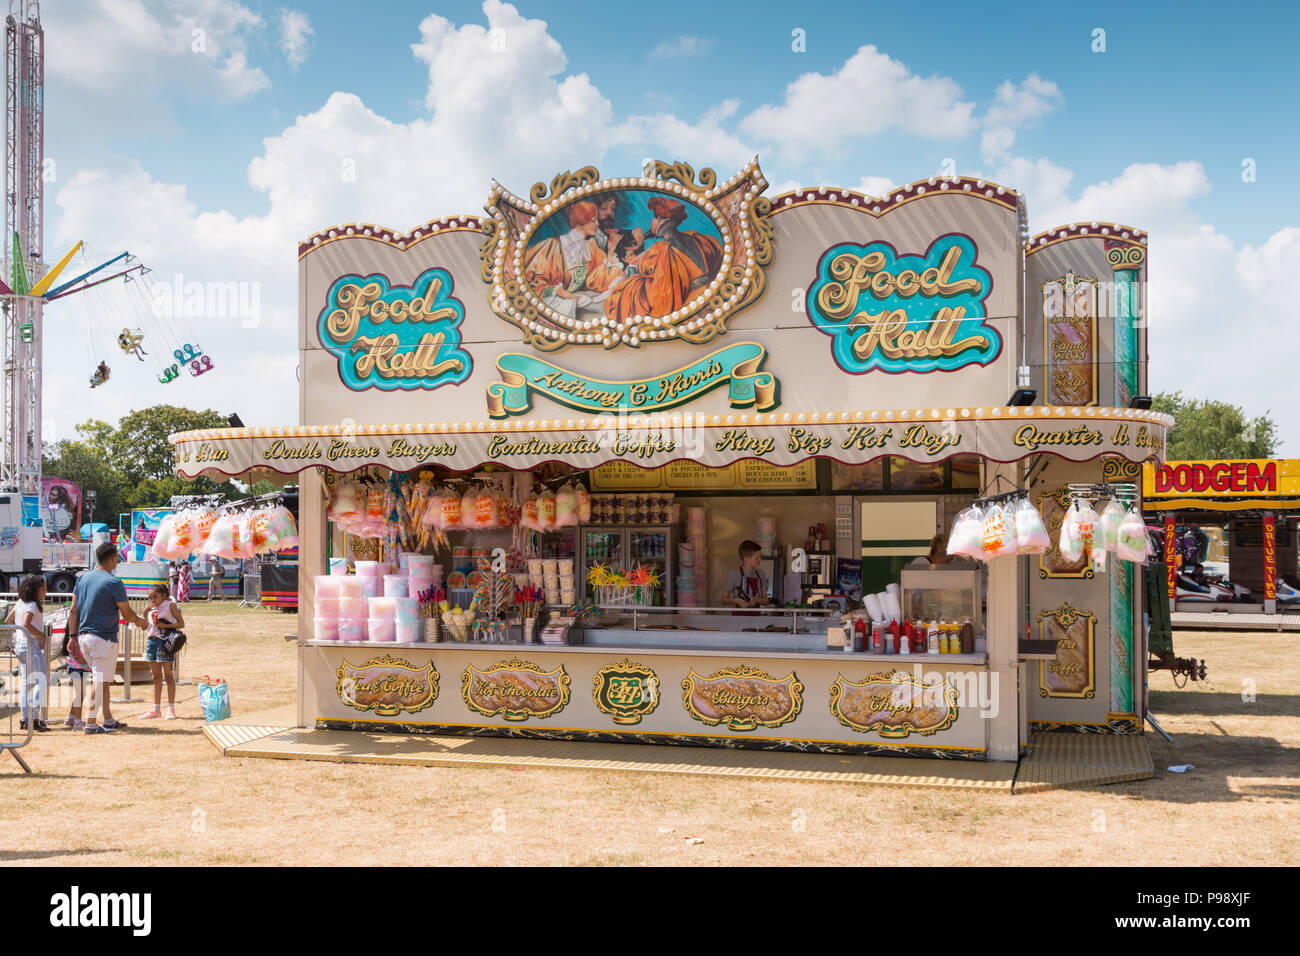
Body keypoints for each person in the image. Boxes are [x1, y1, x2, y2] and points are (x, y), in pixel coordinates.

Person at [67, 541, 149, 734]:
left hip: (83, 637)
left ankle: (109, 719)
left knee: (102, 679)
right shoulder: (114, 583)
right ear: (112, 558)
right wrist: (140, 621)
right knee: (100, 679)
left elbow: (73, 610)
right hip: (103, 639)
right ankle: (92, 723)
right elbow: (127, 613)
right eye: (117, 559)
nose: (117, 562)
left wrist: (72, 637)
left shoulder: (82, 579)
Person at [603, 196, 723, 322]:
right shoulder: (698, 238)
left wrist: (632, 276)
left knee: (621, 294)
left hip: (690, 304)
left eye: (654, 218)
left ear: (661, 219)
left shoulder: (662, 250)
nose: (651, 223)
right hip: (710, 295)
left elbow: (658, 292)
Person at [522, 200, 628, 321]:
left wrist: (610, 251)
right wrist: (562, 293)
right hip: (554, 300)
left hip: (578, 299)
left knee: (610, 307)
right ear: (581, 221)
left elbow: (599, 279)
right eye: (593, 220)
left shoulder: (590, 247)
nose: (598, 224)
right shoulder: (552, 246)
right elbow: (533, 284)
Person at [138, 583, 184, 720]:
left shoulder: (170, 605)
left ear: (163, 596)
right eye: (149, 597)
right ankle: (156, 709)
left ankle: (171, 708)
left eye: (154, 597)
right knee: (156, 677)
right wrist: (145, 614)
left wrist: (165, 625)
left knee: (168, 676)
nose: (152, 600)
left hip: (164, 642)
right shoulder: (151, 609)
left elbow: (181, 623)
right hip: (152, 642)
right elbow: (144, 628)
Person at [13, 574, 49, 732]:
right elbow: (25, 623)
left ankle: (24, 719)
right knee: (41, 681)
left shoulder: (20, 602)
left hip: (20, 645)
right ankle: (34, 718)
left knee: (26, 683)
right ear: (35, 590)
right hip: (30, 645)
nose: (45, 592)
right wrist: (41, 635)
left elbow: (9, 620)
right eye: (43, 589)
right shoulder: (33, 605)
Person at [721, 540, 770, 610]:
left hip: (756, 618)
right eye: (757, 558)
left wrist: (756, 600)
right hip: (739, 618)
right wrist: (736, 601)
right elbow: (724, 599)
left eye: (760, 557)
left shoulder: (761, 574)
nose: (760, 560)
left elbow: (766, 601)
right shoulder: (734, 574)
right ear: (746, 559)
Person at [910, 533, 976, 567]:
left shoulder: (947, 566)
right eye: (948, 559)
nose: (949, 562)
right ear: (938, 554)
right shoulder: (921, 564)